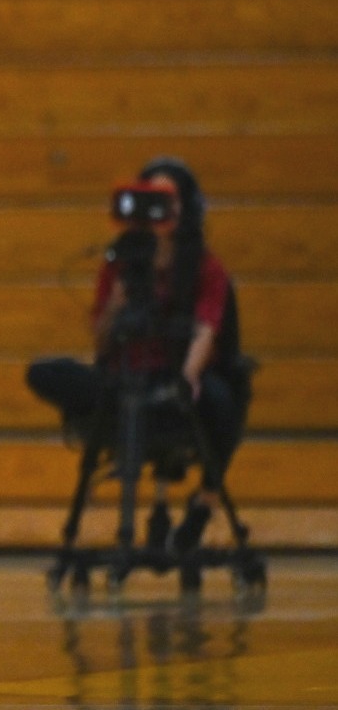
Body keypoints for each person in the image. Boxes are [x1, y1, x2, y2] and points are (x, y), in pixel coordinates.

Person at [26, 156, 249, 555]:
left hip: (174, 380)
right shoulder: (123, 260)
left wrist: (188, 378)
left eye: (169, 201)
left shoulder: (203, 265)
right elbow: (102, 343)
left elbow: (206, 329)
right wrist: (115, 304)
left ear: (187, 208)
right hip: (124, 378)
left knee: (227, 391)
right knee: (44, 373)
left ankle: (205, 502)